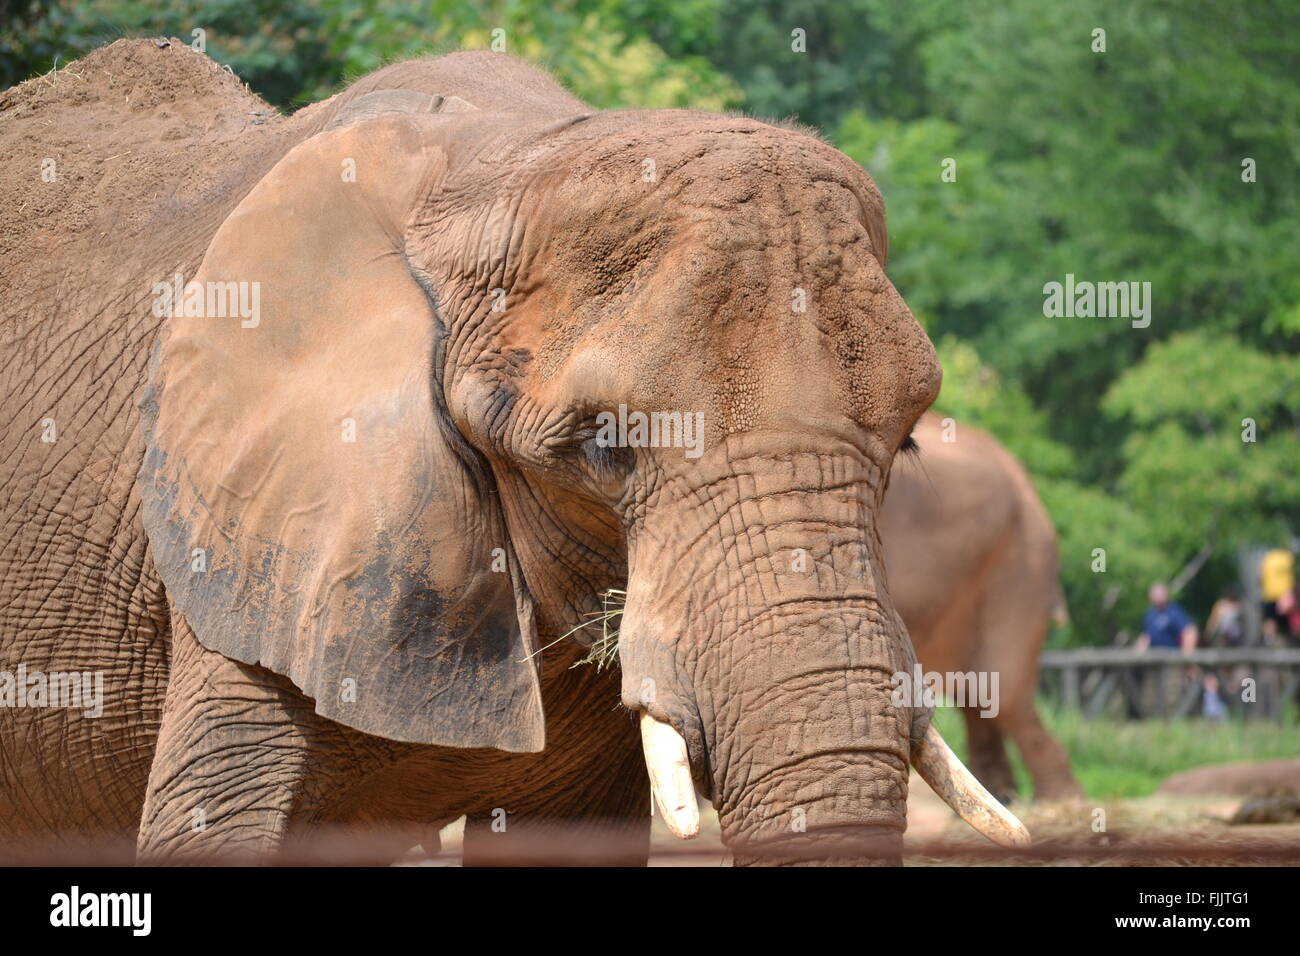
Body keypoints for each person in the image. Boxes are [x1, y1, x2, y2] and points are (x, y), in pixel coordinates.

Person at [1136, 583, 1197, 652]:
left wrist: (1186, 656)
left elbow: (1189, 631)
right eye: (1155, 594)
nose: (1158, 597)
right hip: (1154, 658)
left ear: (1166, 595)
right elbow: (1146, 636)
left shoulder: (1174, 612)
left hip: (1172, 657)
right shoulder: (1149, 615)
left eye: (1160, 594)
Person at [1259, 548, 1295, 642]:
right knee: (1286, 619)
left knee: (1270, 618)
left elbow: (1260, 576)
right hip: (1285, 595)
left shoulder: (1267, 558)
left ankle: (1270, 639)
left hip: (1270, 594)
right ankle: (1288, 638)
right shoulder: (1289, 558)